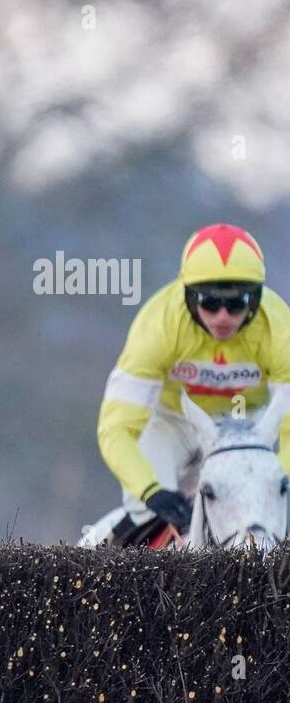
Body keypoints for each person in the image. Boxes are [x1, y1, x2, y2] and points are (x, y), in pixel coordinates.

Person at [95, 223, 290, 536]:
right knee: (144, 509)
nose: (223, 317)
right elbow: (116, 428)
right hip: (172, 421)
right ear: (188, 298)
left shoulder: (280, 330)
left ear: (255, 300)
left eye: (236, 303)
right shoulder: (158, 326)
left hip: (246, 425)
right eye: (210, 303)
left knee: (271, 500)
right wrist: (151, 490)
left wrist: (282, 481)